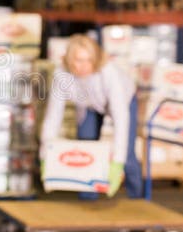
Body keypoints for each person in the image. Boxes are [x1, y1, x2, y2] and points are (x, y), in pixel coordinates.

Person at [41, 34, 143, 200]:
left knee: (128, 155)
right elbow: (53, 116)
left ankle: (138, 199)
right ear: (68, 59)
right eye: (78, 60)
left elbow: (120, 119)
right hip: (89, 105)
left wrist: (117, 162)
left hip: (123, 101)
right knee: (86, 147)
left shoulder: (108, 72)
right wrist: (44, 155)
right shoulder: (62, 76)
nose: (83, 66)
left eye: (88, 60)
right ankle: (88, 199)